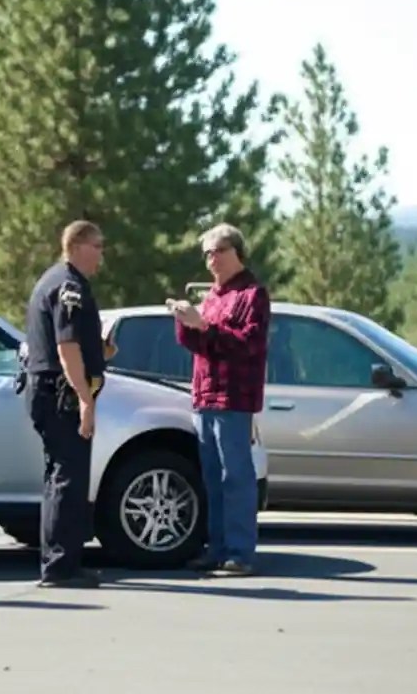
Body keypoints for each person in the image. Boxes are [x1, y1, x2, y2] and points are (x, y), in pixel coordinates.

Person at [172, 223, 270, 577]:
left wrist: (205, 327)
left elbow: (248, 345)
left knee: (236, 477)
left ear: (236, 253)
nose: (211, 259)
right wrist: (186, 322)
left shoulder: (253, 294)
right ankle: (216, 549)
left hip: (234, 397)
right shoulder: (212, 295)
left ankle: (240, 553)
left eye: (217, 251)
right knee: (212, 478)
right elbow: (199, 345)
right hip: (204, 396)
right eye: (207, 253)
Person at [22, 220, 107, 588]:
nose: (102, 255)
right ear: (78, 245)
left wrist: (100, 352)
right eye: (98, 246)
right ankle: (59, 567)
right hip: (60, 394)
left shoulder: (54, 280)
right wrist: (85, 401)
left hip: (52, 390)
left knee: (61, 478)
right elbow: (66, 347)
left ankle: (62, 560)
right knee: (67, 479)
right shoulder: (68, 285)